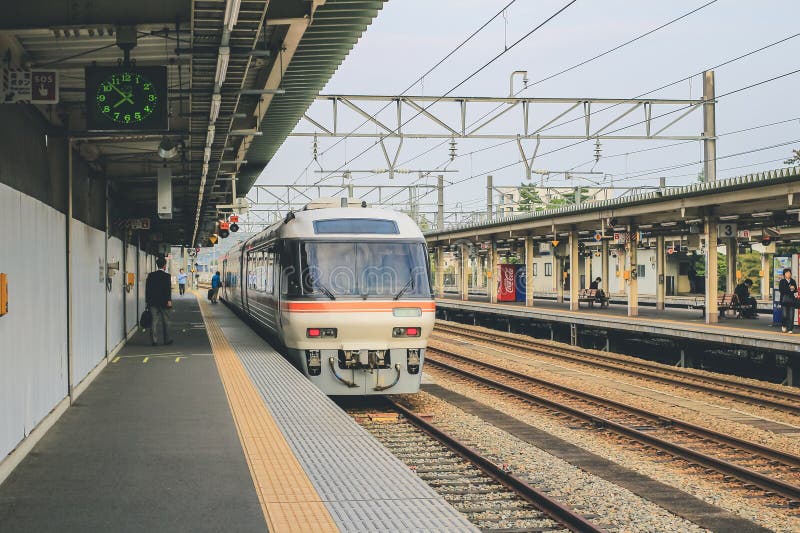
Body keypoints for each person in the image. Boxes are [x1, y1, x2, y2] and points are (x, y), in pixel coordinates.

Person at [145, 257, 173, 346]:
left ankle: (154, 341)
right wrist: (169, 300)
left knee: (154, 322)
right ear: (164, 266)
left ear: (157, 265)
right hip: (164, 302)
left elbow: (147, 289)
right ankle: (167, 340)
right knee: (166, 322)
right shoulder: (167, 276)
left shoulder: (151, 275)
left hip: (153, 302)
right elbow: (168, 289)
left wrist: (147, 301)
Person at [779, 268, 797, 333]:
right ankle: (784, 325)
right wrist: (790, 289)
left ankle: (790, 329)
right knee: (784, 315)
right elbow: (781, 290)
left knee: (791, 315)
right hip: (784, 300)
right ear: (784, 274)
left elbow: (795, 290)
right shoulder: (782, 281)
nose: (788, 274)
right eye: (787, 273)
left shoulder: (793, 281)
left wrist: (793, 289)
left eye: (789, 273)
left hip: (792, 300)